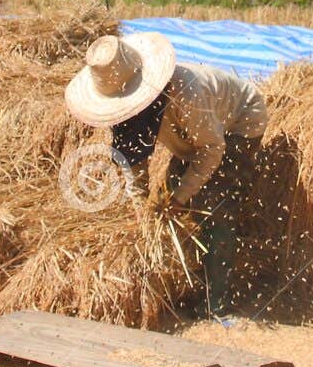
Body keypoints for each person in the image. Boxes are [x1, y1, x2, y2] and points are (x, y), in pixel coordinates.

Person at [65, 34, 267, 316]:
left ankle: (217, 301)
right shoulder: (128, 114)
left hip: (238, 122)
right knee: (169, 193)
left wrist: (181, 197)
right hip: (196, 135)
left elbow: (211, 148)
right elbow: (133, 160)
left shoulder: (188, 95)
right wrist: (142, 207)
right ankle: (188, 282)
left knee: (213, 204)